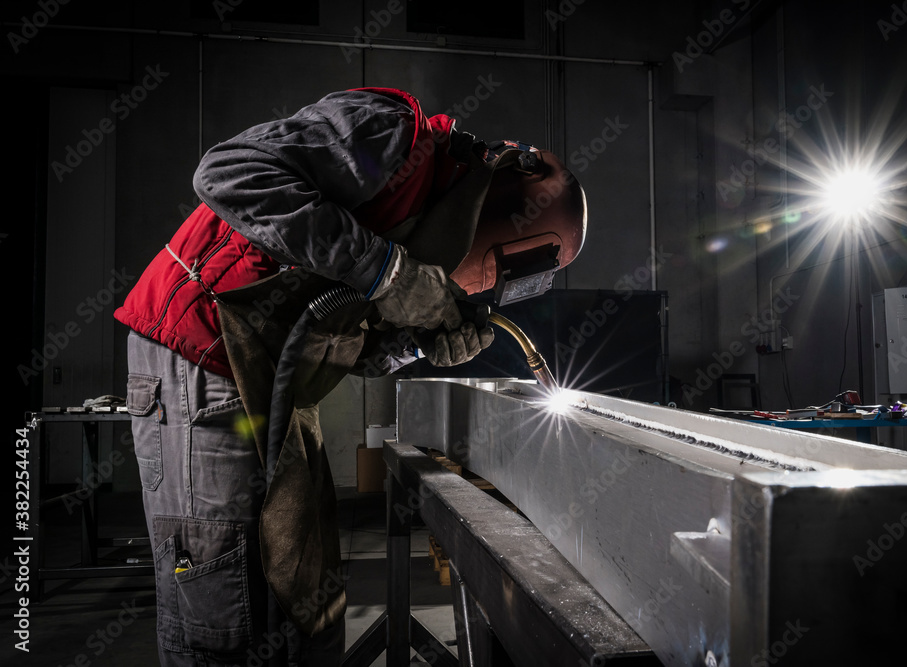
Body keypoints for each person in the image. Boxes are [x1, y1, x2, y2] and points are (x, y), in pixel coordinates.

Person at [115, 87, 586, 666]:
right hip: (200, 352)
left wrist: (414, 342)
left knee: (296, 570)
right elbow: (227, 172)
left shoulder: (421, 239)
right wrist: (386, 274)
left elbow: (349, 345)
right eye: (490, 274)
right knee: (227, 577)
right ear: (503, 216)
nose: (478, 289)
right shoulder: (391, 135)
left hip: (275, 377)